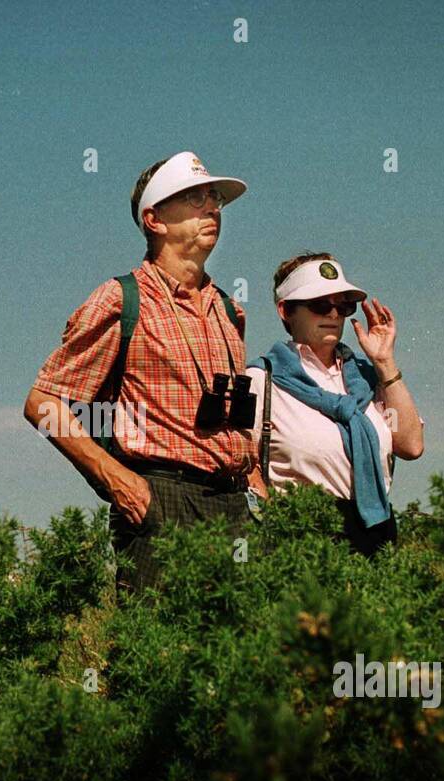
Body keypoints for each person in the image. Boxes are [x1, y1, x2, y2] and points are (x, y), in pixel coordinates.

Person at [23, 151, 266, 594]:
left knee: (241, 656)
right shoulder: (121, 299)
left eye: (213, 197)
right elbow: (43, 403)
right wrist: (116, 478)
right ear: (154, 219)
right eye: (194, 198)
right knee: (158, 656)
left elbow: (234, 413)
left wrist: (255, 483)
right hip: (163, 499)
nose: (212, 207)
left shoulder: (231, 310)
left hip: (234, 505)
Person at [245, 253, 424, 556]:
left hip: (375, 533)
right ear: (286, 310)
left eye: (343, 306)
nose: (333, 314)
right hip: (302, 534)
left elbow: (411, 445)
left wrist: (384, 362)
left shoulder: (368, 380)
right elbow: (242, 461)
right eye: (319, 305)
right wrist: (272, 522)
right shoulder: (262, 380)